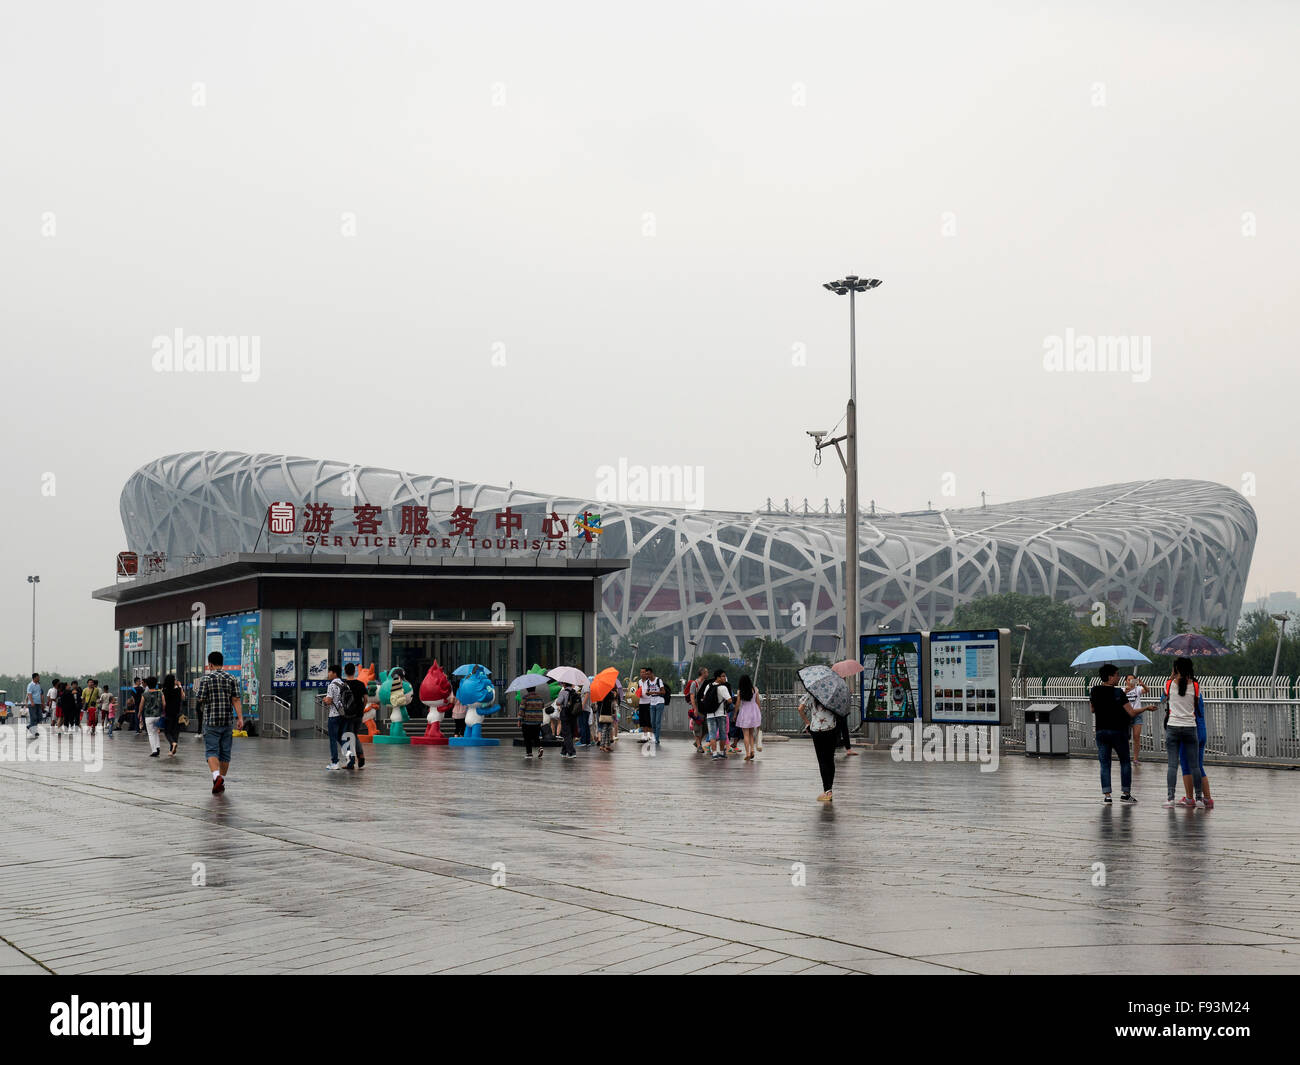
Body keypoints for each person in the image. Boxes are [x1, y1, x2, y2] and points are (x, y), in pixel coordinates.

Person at [1088, 664, 1141, 804]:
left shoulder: (1094, 690)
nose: (1118, 677)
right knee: (1124, 762)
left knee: (1105, 764)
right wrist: (1146, 708)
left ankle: (1107, 796)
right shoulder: (1118, 693)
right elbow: (1131, 712)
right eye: (1117, 674)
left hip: (1101, 731)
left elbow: (1092, 709)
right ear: (1110, 677)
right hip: (1118, 731)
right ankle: (1125, 794)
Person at [195, 650, 244, 794]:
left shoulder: (206, 679)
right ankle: (221, 779)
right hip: (227, 721)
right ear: (222, 663)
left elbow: (201, 698)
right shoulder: (231, 678)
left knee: (211, 750)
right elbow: (236, 699)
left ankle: (216, 777)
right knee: (225, 753)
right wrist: (240, 718)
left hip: (211, 720)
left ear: (210, 664)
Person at [1162, 657, 1205, 809]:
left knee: (1172, 765)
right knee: (1195, 766)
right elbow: (1195, 704)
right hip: (1190, 727)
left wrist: (1171, 675)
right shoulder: (1195, 685)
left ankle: (1170, 798)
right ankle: (1199, 799)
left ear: (1176, 669)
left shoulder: (1168, 684)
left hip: (1173, 727)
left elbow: (1164, 698)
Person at [797, 687, 839, 802]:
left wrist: (807, 723)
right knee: (830, 759)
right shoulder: (833, 693)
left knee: (822, 760)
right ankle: (830, 789)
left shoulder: (812, 692)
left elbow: (800, 708)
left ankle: (827, 791)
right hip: (831, 728)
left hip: (816, 730)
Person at [323, 664, 351, 770]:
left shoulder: (332, 685)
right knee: (342, 738)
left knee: (333, 739)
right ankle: (349, 757)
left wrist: (325, 700)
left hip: (334, 715)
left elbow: (329, 701)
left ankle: (335, 762)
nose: (328, 674)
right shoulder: (345, 684)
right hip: (343, 715)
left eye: (330, 672)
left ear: (334, 673)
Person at [342, 663, 368, 769]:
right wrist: (362, 708)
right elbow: (366, 698)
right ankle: (359, 756)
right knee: (354, 734)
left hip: (348, 715)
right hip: (359, 714)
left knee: (349, 736)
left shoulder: (343, 685)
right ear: (354, 671)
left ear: (345, 671)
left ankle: (354, 759)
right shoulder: (360, 684)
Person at [703, 670, 731, 759]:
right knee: (723, 734)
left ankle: (714, 753)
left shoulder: (708, 686)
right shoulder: (723, 688)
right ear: (718, 677)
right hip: (721, 714)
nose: (724, 678)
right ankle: (722, 752)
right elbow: (729, 700)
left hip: (710, 714)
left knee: (712, 734)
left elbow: (704, 697)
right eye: (723, 676)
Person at [734, 674, 762, 760]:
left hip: (745, 712)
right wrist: (759, 713)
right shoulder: (755, 689)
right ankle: (752, 750)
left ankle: (747, 753)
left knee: (745, 734)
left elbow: (738, 703)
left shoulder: (740, 691)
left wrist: (735, 714)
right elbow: (758, 702)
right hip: (754, 711)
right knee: (751, 733)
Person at [1124, 674, 1148, 762]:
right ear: (1125, 681)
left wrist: (1143, 684)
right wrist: (1125, 692)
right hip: (1126, 715)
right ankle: (1125, 757)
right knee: (1125, 737)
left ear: (1135, 681)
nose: (1130, 681)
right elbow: (1118, 700)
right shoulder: (1123, 690)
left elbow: (1147, 690)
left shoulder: (1138, 689)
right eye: (1128, 679)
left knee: (1136, 737)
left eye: (1132, 680)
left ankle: (1135, 759)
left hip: (1137, 714)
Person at [641, 667, 665, 747]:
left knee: (657, 722)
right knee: (652, 722)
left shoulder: (658, 680)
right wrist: (648, 693)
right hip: (652, 703)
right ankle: (654, 737)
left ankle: (656, 739)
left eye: (648, 674)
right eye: (646, 674)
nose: (646, 675)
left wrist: (653, 692)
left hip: (659, 702)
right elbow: (648, 691)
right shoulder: (647, 682)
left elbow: (663, 692)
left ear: (651, 673)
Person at [519, 684, 545, 758]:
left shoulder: (525, 697)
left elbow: (522, 709)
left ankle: (529, 753)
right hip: (537, 720)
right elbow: (542, 706)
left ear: (527, 689)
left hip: (527, 721)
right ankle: (540, 747)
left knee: (527, 737)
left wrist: (519, 720)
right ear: (535, 689)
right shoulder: (539, 697)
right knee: (536, 736)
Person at [160, 674, 183, 756]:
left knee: (167, 731)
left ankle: (173, 743)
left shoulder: (164, 690)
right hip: (177, 713)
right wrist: (180, 686)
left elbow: (164, 703)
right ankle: (172, 749)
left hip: (168, 713)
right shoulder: (178, 690)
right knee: (175, 731)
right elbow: (183, 697)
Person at [141, 677, 165, 756]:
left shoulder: (145, 694)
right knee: (155, 732)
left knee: (151, 733)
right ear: (155, 684)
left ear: (147, 684)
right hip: (158, 715)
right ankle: (158, 747)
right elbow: (164, 704)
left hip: (148, 716)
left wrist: (139, 713)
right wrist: (163, 711)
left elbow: (141, 705)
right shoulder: (160, 693)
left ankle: (154, 750)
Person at [688, 667, 709, 753]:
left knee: (706, 728)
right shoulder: (695, 683)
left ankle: (697, 742)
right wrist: (695, 709)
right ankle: (699, 745)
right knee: (697, 727)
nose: (708, 674)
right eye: (706, 672)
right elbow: (692, 697)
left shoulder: (707, 683)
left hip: (705, 708)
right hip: (697, 707)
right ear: (702, 673)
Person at [558, 683, 580, 758]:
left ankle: (571, 752)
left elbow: (558, 702)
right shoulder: (575, 692)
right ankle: (563, 752)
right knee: (570, 732)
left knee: (566, 733)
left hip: (565, 713)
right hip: (573, 714)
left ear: (564, 684)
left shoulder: (563, 692)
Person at [596, 687, 617, 751]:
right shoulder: (609, 694)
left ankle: (607, 745)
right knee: (605, 729)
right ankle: (603, 746)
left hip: (604, 713)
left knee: (608, 729)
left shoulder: (602, 694)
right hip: (606, 713)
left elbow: (598, 703)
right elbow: (613, 704)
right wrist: (614, 712)